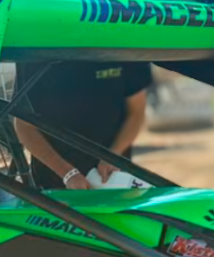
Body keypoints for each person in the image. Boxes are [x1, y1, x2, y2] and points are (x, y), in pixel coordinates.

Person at [12, 61, 152, 190]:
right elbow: (24, 126)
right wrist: (67, 173)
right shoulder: (36, 56)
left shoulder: (122, 49)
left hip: (114, 177)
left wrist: (114, 154)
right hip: (55, 183)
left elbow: (136, 112)